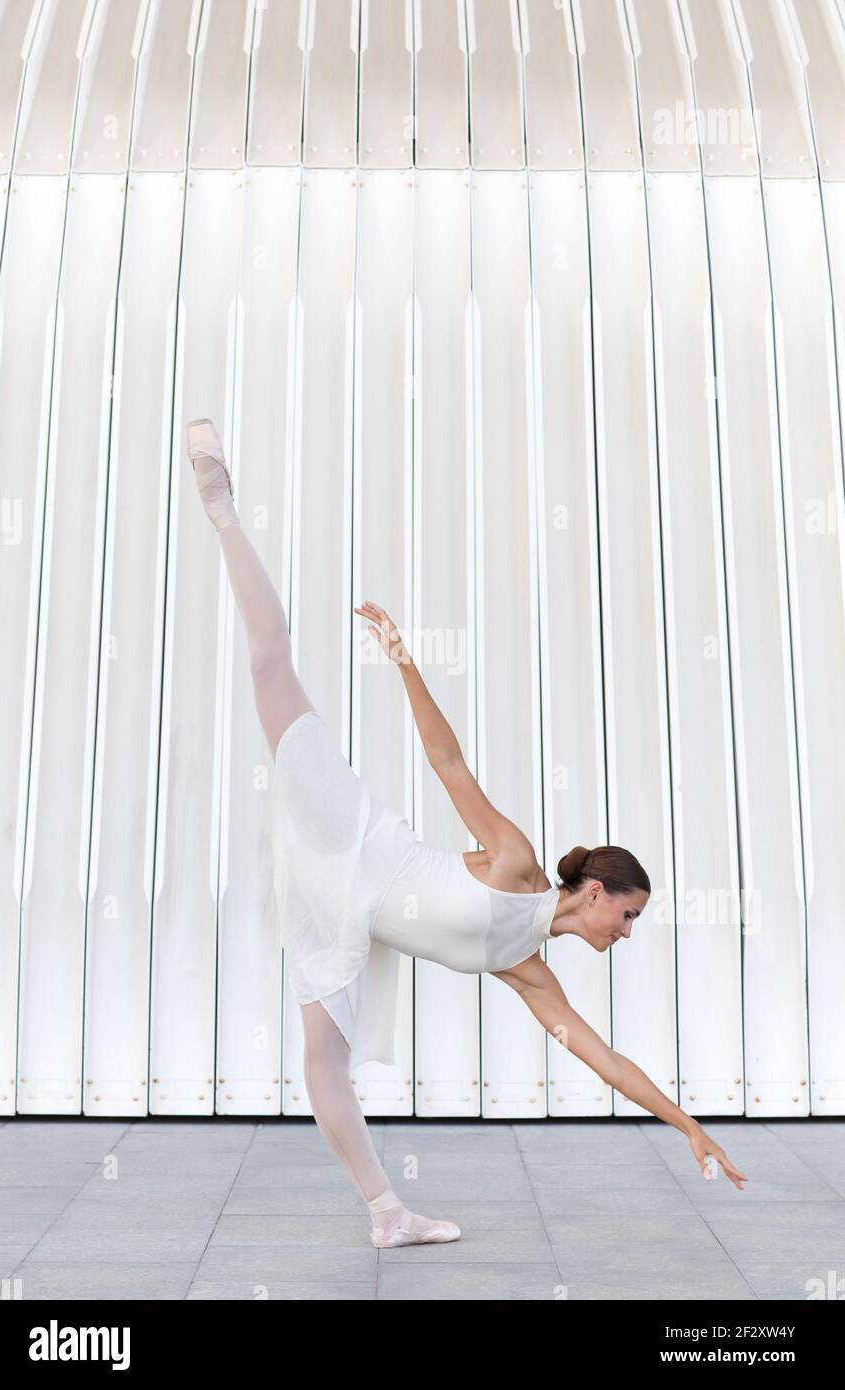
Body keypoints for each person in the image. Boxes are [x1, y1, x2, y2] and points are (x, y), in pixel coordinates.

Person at [186, 418, 747, 1248]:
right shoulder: (515, 864)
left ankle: (388, 1216)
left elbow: (607, 1063)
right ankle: (221, 503)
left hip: (344, 919)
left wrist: (687, 1126)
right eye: (626, 915)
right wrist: (406, 658)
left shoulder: (530, 973)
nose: (627, 932)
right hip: (357, 840)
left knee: (321, 1066)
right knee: (272, 666)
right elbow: (448, 764)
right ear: (594, 892)